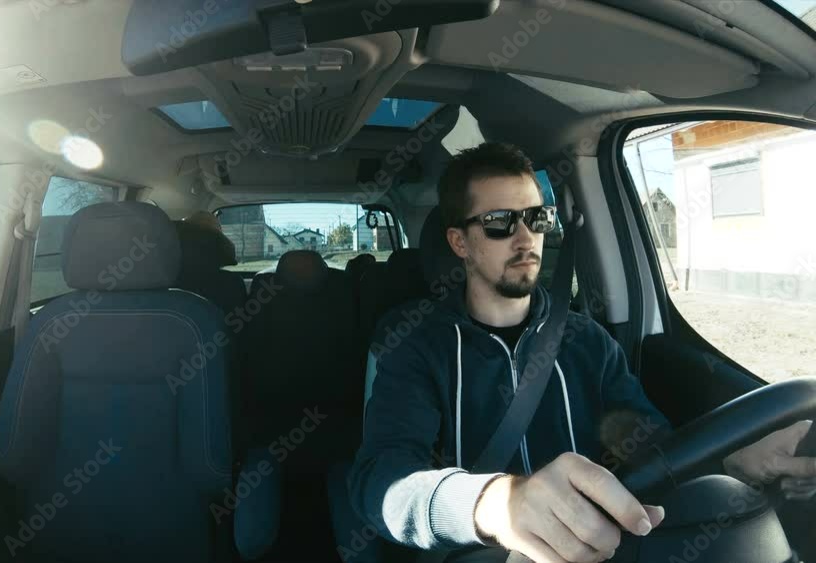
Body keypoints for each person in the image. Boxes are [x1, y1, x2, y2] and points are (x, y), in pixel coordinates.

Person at [348, 142, 816, 563]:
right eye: (499, 223)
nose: (525, 238)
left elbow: (649, 445)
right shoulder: (415, 346)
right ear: (459, 242)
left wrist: (731, 460)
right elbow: (383, 482)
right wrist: (494, 504)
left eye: (536, 218)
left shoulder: (586, 340)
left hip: (602, 544)